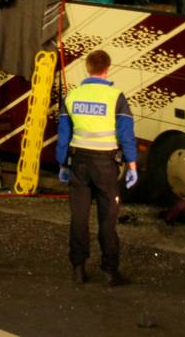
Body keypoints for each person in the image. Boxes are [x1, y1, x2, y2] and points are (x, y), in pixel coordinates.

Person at [56, 49, 138, 286]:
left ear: (88, 68)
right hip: (105, 165)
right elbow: (125, 134)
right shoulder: (115, 96)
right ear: (107, 69)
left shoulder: (72, 96)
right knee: (107, 219)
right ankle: (110, 271)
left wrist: (62, 163)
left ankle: (78, 269)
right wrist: (132, 165)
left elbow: (64, 134)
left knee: (79, 217)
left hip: (79, 163)